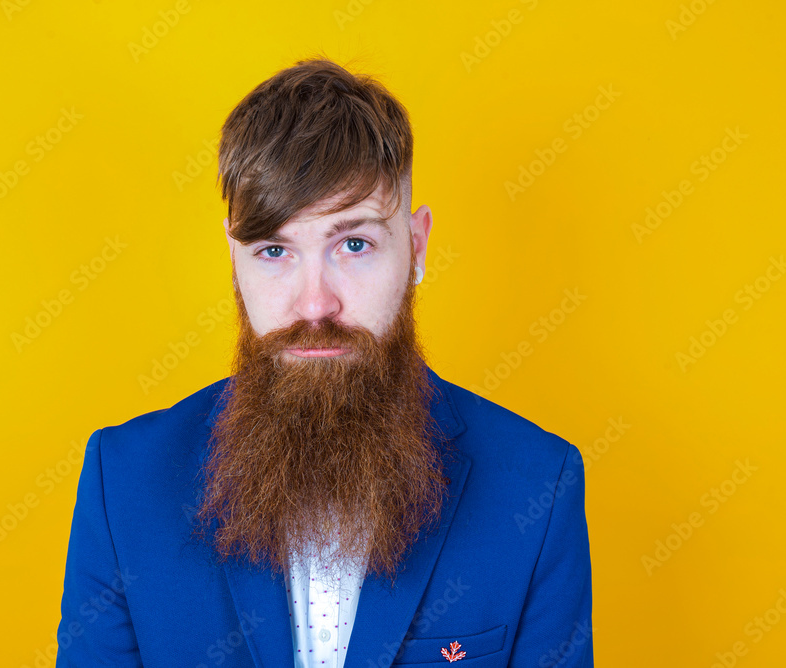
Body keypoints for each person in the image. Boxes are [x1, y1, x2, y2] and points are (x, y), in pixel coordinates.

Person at [55, 57, 593, 668]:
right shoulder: (122, 484)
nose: (315, 303)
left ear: (416, 248)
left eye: (354, 244)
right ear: (233, 258)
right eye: (274, 250)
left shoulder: (539, 488)